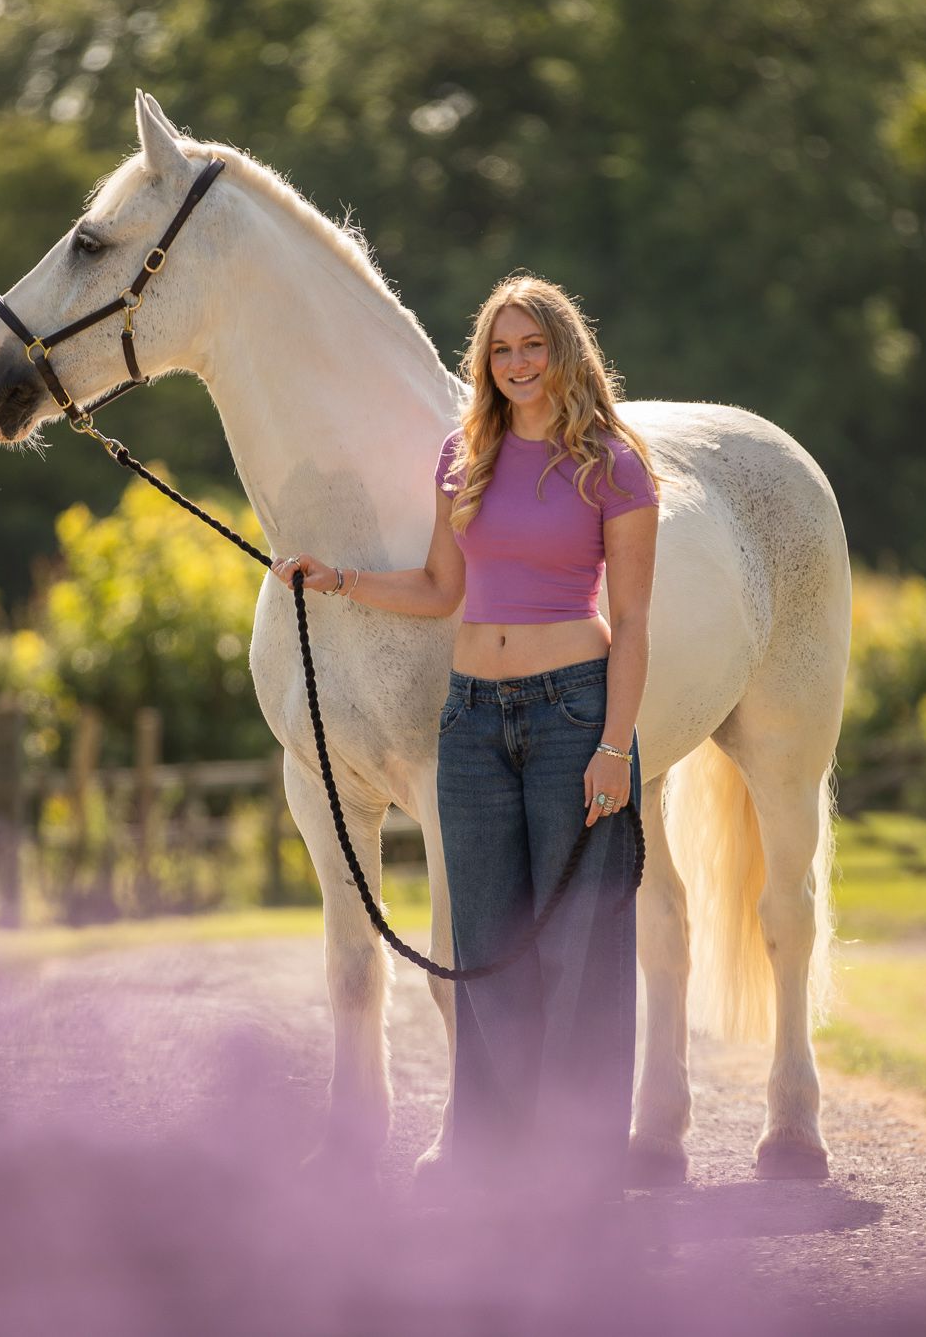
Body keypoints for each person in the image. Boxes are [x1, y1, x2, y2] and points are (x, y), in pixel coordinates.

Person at [271, 273, 662, 1206]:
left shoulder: (614, 464)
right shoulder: (465, 455)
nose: (518, 363)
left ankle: (584, 1168)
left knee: (578, 947)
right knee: (483, 944)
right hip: (473, 718)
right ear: (485, 361)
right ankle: (491, 1164)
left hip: (575, 715)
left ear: (567, 350)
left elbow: (636, 622)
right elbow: (442, 588)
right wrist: (340, 582)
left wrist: (615, 746)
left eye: (533, 345)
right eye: (501, 348)